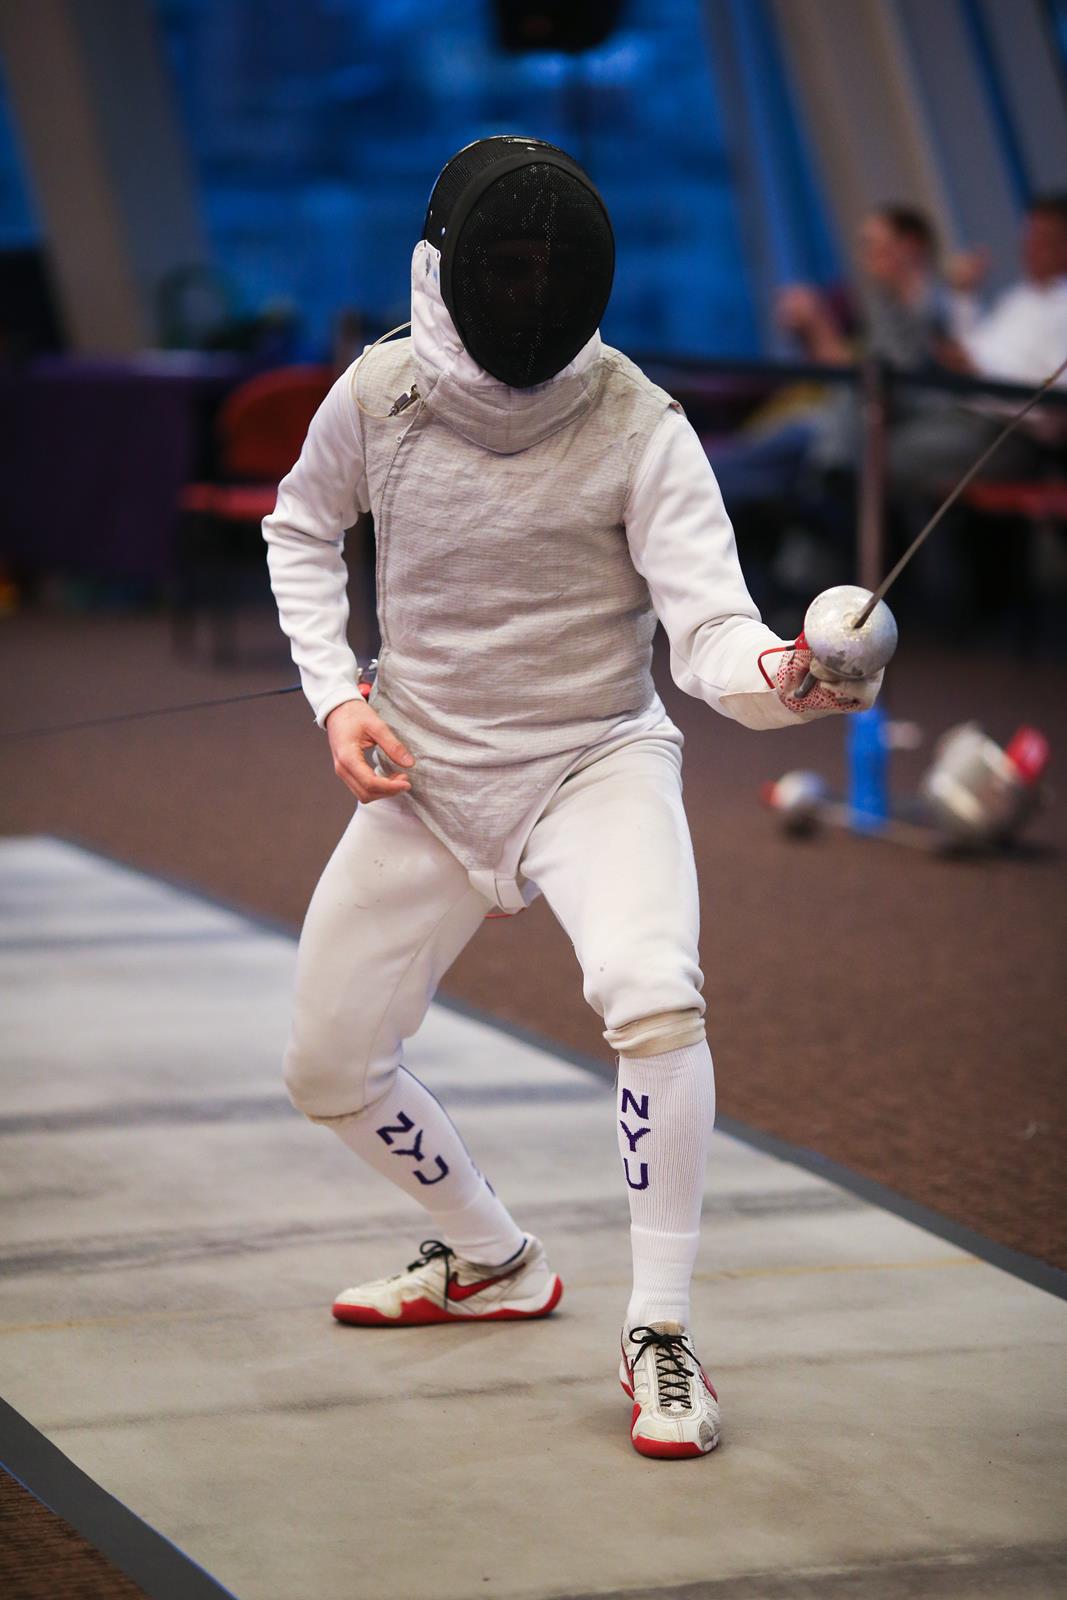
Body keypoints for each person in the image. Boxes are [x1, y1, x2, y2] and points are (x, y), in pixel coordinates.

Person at [263, 136, 883, 1461]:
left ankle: (657, 1328)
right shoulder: (377, 396)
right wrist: (337, 696)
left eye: (555, 267)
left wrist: (789, 677)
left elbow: (711, 640)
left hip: (590, 759)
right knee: (324, 1066)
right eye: (511, 264)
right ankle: (493, 1258)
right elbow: (298, 528)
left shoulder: (636, 423)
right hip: (423, 767)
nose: (532, 289)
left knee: (654, 992)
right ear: (452, 269)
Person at [889, 194, 1067, 493]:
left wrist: (977, 369)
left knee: (888, 457)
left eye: (1044, 238)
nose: (1030, 247)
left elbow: (1053, 407)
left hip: (1010, 435)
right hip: (965, 411)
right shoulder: (1018, 297)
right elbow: (976, 348)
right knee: (877, 437)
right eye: (1029, 236)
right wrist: (964, 298)